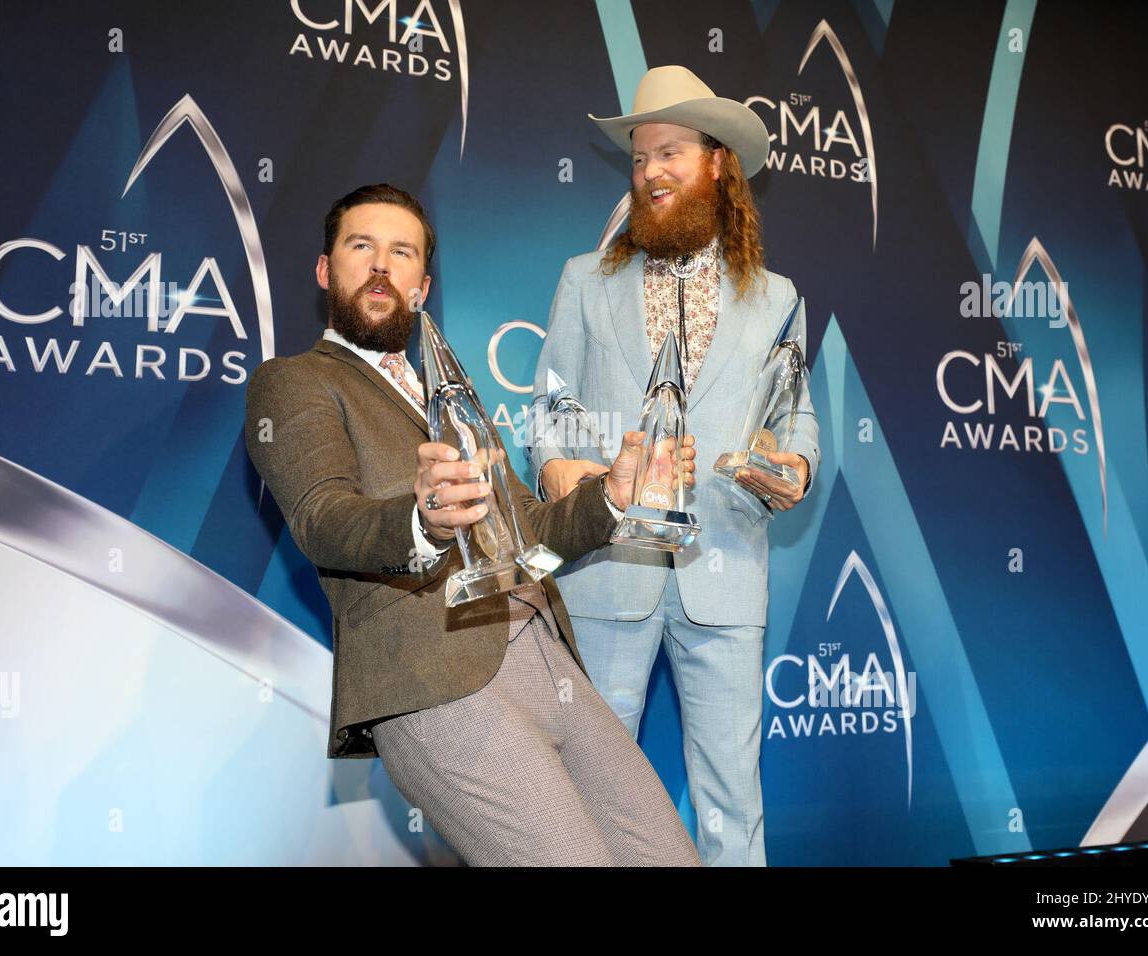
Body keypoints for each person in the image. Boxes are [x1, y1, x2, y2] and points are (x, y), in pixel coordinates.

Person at [245, 183, 700, 866]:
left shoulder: (450, 396)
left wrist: (614, 493)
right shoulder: (294, 382)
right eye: (360, 246)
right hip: (437, 681)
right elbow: (323, 518)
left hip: (552, 662)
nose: (380, 265)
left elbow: (530, 535)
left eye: (401, 253)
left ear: (421, 285)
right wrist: (420, 521)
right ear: (323, 270)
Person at [526, 66, 821, 866]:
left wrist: (792, 464)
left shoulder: (778, 296)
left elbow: (795, 419)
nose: (650, 171)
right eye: (639, 157)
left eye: (670, 153)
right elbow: (548, 410)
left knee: (733, 797)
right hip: (607, 572)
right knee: (590, 790)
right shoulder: (584, 283)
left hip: (725, 572)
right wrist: (558, 469)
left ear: (717, 162)